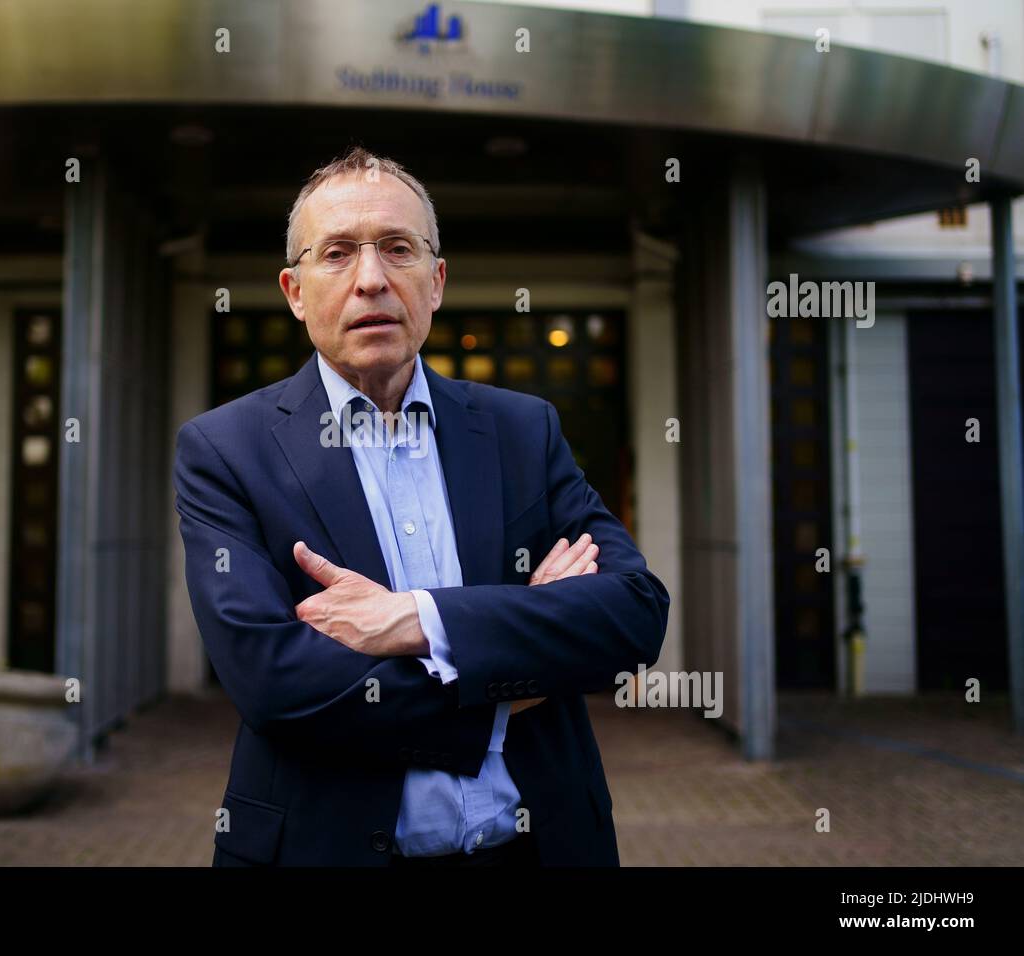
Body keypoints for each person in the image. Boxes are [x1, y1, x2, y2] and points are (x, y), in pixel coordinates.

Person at [174, 146, 669, 866]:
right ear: (294, 291)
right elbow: (274, 683)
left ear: (435, 282)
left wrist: (415, 620)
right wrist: (516, 670)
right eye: (337, 254)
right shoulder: (227, 451)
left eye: (397, 249)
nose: (371, 279)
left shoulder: (522, 431)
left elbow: (632, 613)